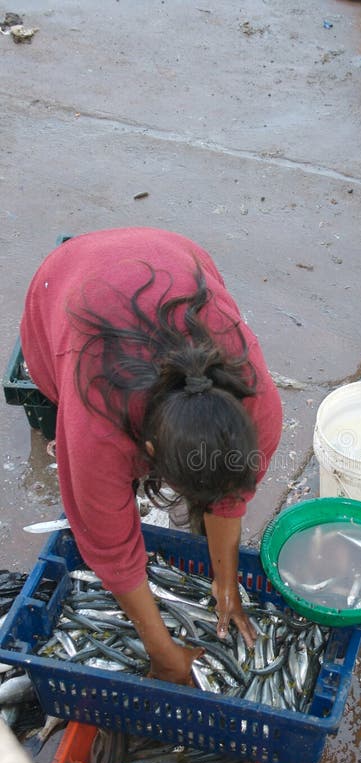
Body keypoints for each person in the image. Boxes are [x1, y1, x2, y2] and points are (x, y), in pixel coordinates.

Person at [20, 227, 283, 685]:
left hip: (170, 255)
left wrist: (226, 580)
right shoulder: (96, 424)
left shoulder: (257, 404)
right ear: (148, 451)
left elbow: (230, 496)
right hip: (63, 288)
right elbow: (113, 552)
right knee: (90, 480)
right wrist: (164, 654)